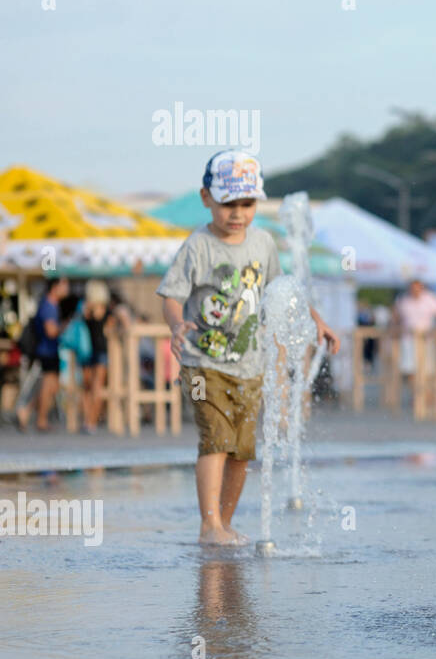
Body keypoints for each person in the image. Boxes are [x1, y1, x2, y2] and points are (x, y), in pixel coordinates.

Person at [157, 150, 339, 546]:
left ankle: (223, 523)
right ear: (207, 198)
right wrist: (176, 325)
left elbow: (283, 290)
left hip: (250, 366)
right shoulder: (198, 246)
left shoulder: (263, 243)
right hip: (205, 363)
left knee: (241, 451)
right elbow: (171, 295)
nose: (237, 213)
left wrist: (316, 321)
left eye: (246, 203)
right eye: (228, 204)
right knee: (215, 439)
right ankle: (209, 525)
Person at [16, 275, 70, 432]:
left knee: (52, 387)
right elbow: (51, 331)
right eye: (64, 285)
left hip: (48, 350)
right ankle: (39, 419)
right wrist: (64, 327)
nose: (67, 289)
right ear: (55, 286)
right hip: (47, 350)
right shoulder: (48, 305)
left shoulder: (50, 304)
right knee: (48, 386)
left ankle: (29, 412)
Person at [79, 279, 114, 433]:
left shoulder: (88, 309)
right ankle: (90, 421)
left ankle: (90, 420)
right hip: (98, 351)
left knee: (91, 388)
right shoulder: (102, 310)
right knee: (93, 388)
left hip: (91, 351)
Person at [394, 279, 436, 380]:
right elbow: (396, 318)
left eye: (417, 288)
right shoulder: (403, 300)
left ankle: (426, 394)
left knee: (428, 370)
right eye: (413, 288)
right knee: (410, 370)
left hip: (426, 338)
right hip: (408, 339)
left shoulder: (429, 298)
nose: (415, 291)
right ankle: (417, 394)